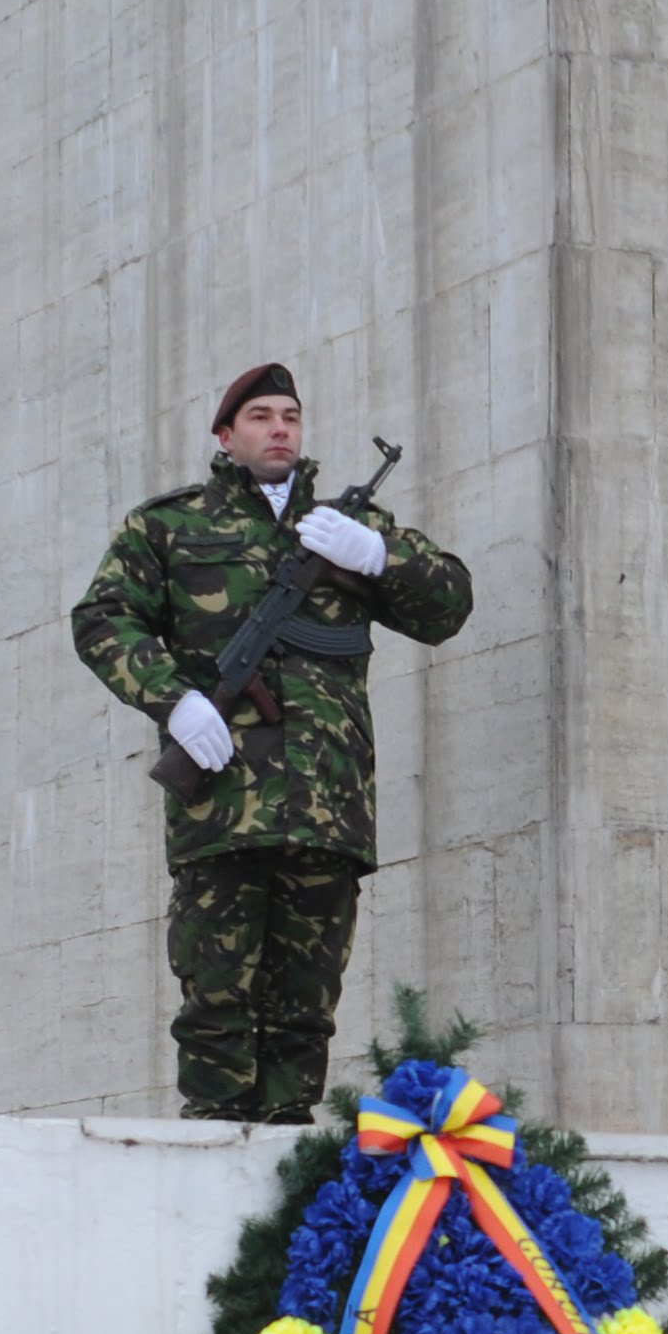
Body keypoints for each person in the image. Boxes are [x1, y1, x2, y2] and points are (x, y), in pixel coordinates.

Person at [70, 363, 473, 1121]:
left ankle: (283, 1173)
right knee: (216, 1010)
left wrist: (381, 559)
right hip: (222, 812)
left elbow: (448, 604)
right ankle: (213, 1165)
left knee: (304, 1015)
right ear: (226, 436)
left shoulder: (346, 526)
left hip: (328, 809)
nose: (279, 427)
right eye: (260, 416)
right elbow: (102, 620)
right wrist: (177, 699)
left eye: (290, 414)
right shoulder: (169, 527)